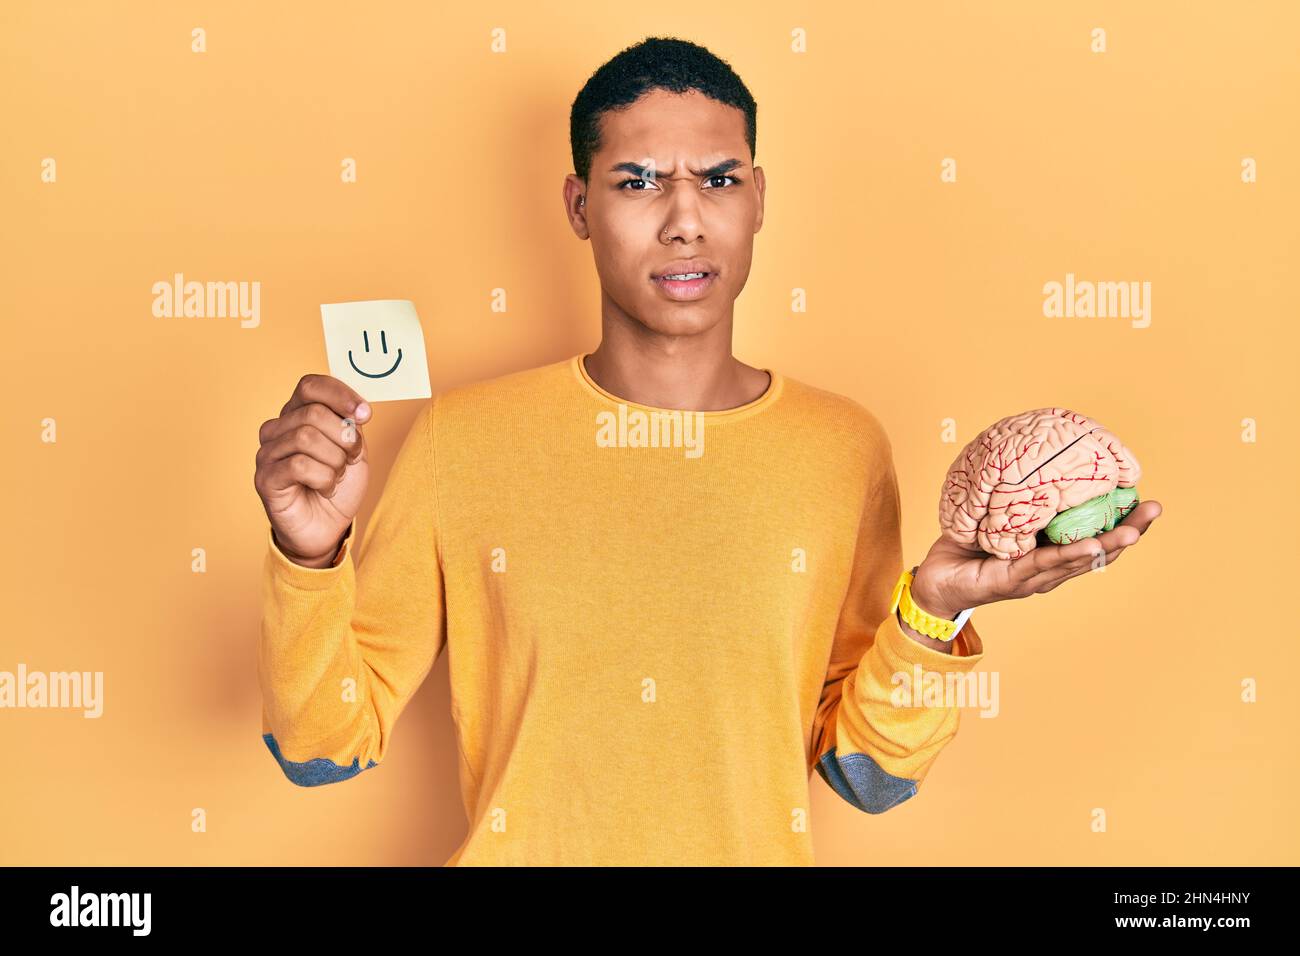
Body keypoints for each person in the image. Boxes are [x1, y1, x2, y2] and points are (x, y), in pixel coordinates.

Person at [252, 36, 1160, 866]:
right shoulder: (463, 439)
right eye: (638, 181)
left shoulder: (841, 448)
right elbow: (318, 753)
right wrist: (306, 556)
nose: (685, 219)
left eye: (719, 180)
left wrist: (930, 613)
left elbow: (867, 779)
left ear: (759, 198)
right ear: (578, 205)